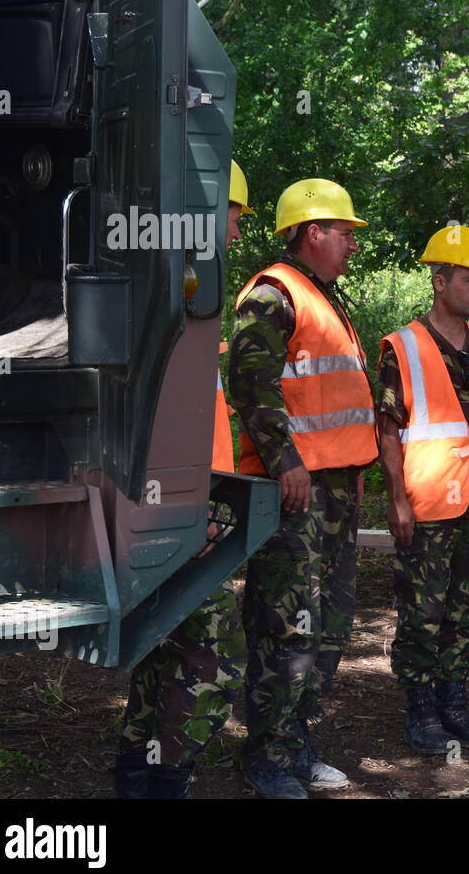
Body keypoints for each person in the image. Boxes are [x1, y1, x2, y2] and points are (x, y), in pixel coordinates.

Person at [230, 178, 378, 798]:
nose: (351, 245)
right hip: (294, 490)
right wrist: (284, 459)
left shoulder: (326, 296)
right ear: (313, 232)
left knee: (330, 623)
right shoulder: (274, 293)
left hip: (335, 490)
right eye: (345, 234)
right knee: (286, 622)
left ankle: (296, 744)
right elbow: (249, 381)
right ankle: (265, 758)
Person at [114, 159, 255, 798]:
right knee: (217, 660)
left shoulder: (173, 291)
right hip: (174, 514)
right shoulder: (177, 300)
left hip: (175, 509)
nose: (235, 231)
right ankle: (166, 783)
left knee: (162, 655)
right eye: (231, 215)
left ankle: (136, 782)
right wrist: (179, 512)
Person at [378, 224, 469, 754]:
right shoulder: (401, 347)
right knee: (422, 613)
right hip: (427, 503)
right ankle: (421, 712)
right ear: (439, 281)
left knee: (466, 611)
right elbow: (387, 431)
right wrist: (396, 500)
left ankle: (455, 705)